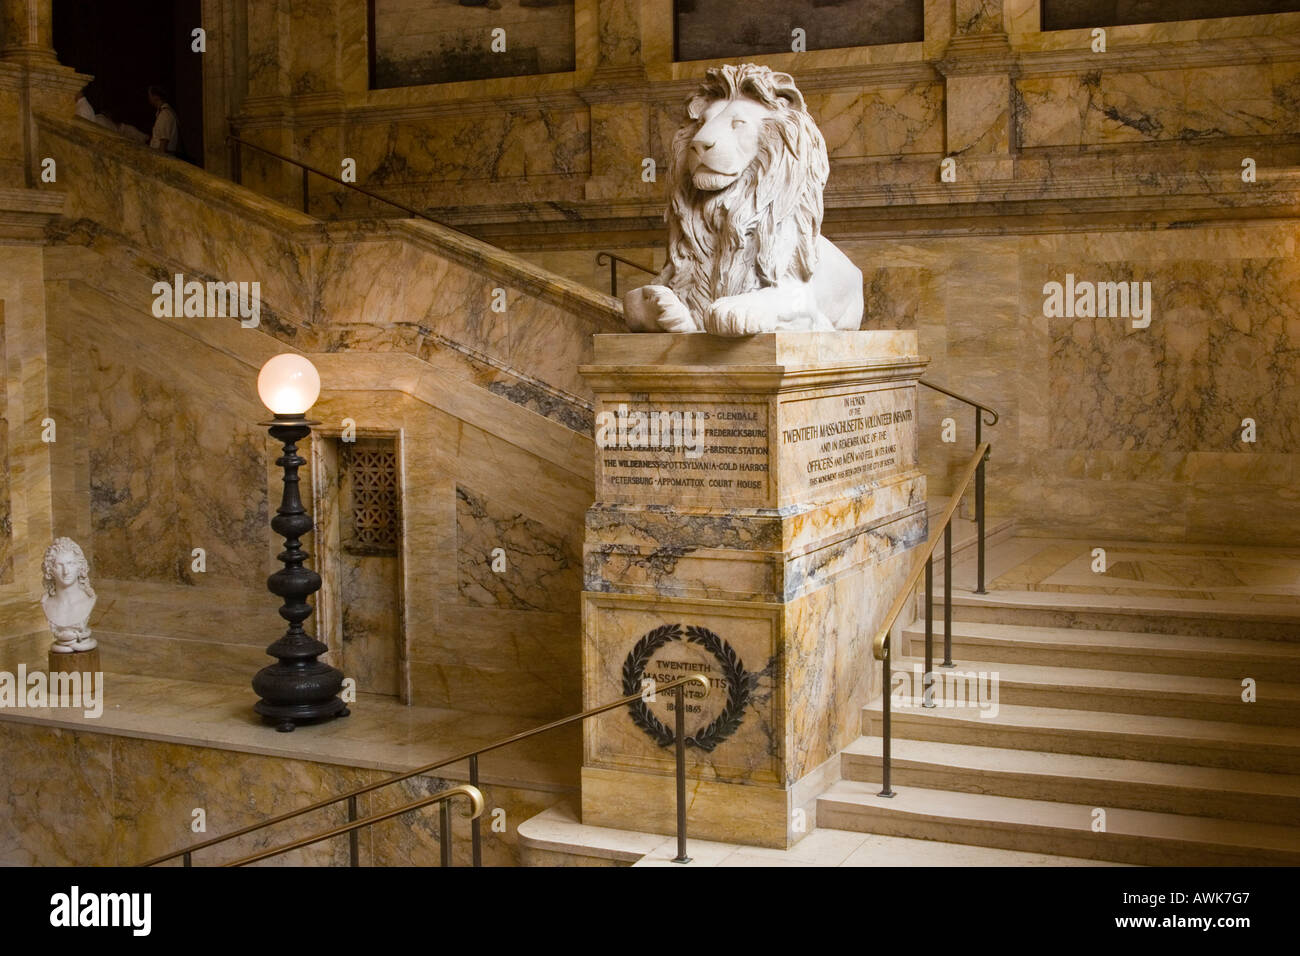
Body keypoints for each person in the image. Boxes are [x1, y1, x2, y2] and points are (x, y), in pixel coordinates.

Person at [147, 84, 181, 155]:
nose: (149, 98)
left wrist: (159, 159)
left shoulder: (165, 115)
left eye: (150, 95)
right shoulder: (163, 113)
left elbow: (164, 141)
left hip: (164, 156)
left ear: (156, 97)